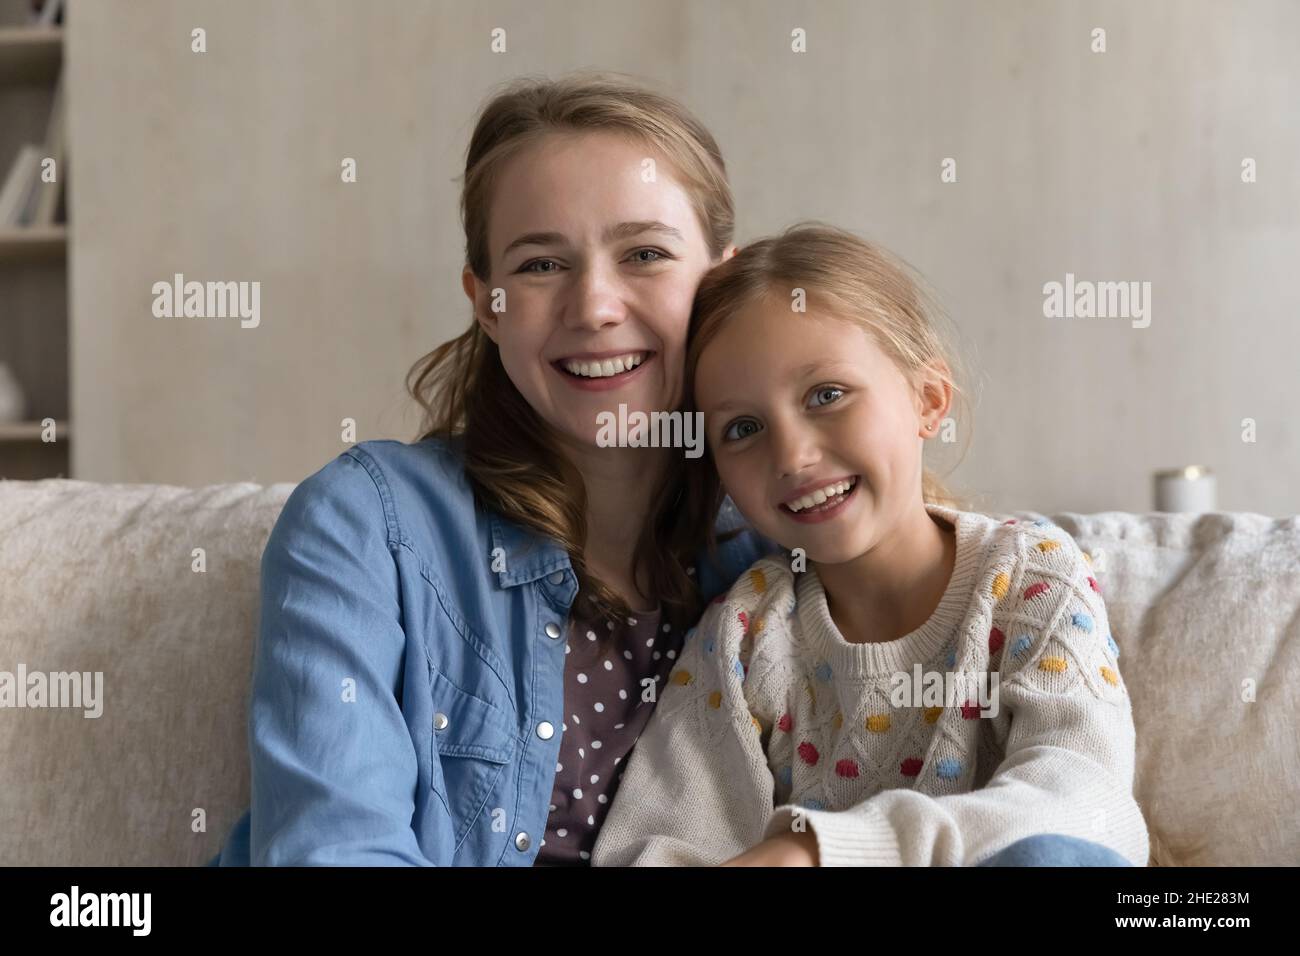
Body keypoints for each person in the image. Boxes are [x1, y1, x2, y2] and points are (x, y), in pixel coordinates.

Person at [210, 72, 780, 866]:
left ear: (719, 279)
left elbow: (991, 587)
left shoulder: (782, 538)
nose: (595, 307)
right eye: (541, 266)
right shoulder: (364, 523)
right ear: (486, 301)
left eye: (644, 253)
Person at [591, 223, 1150, 866]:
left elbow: (1088, 809)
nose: (794, 455)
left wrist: (816, 851)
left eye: (827, 395)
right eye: (743, 428)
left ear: (928, 400)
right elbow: (653, 846)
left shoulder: (1027, 578)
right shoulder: (747, 634)